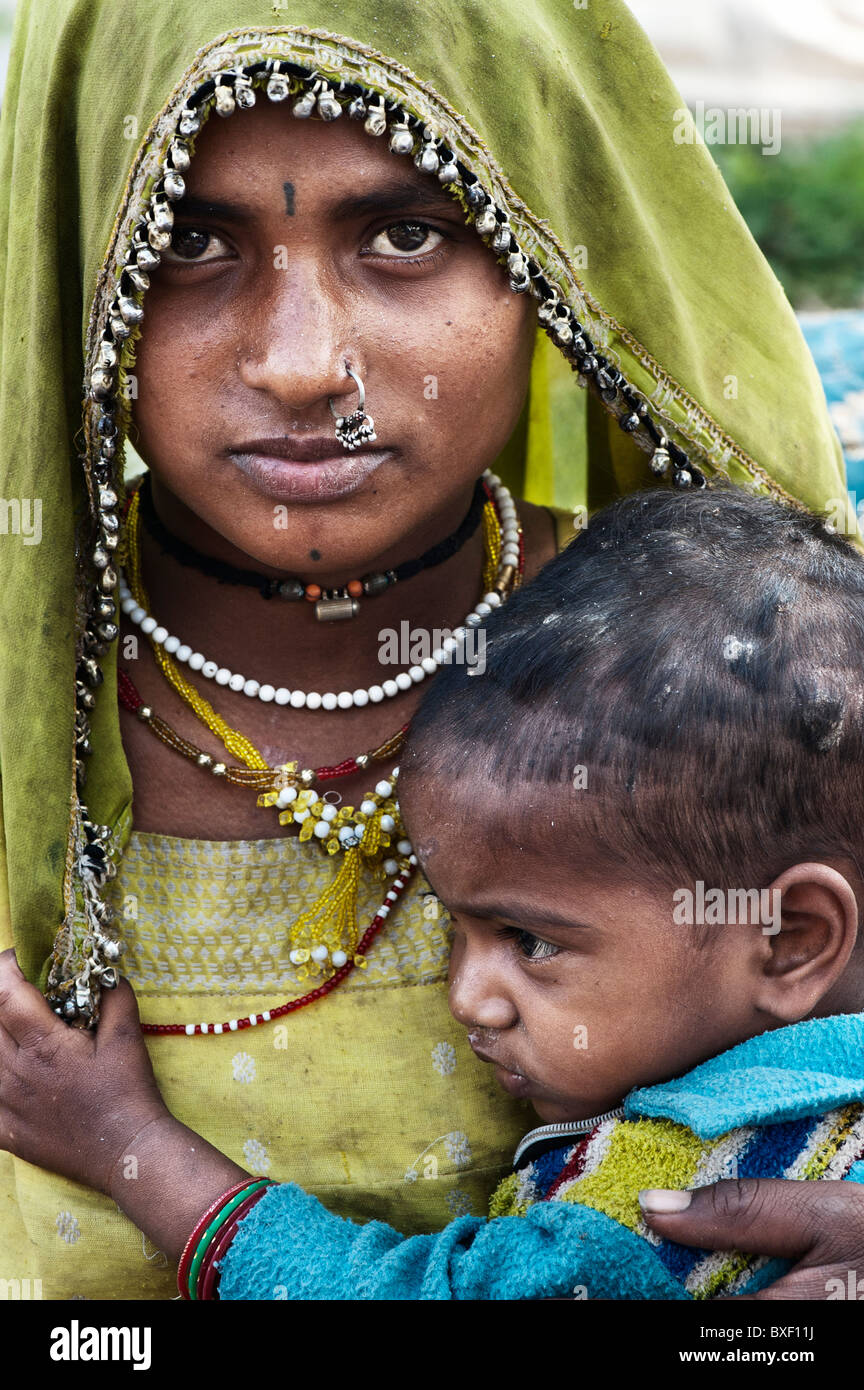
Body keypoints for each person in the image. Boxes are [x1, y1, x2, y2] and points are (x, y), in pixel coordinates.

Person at [0, 0, 860, 1301]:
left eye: (408, 233)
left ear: (553, 255)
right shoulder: (29, 712)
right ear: (83, 260)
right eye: (185, 238)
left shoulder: (745, 674)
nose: (300, 365)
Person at [2, 486, 863, 1301]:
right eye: (452, 928)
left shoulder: (696, 1181)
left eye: (528, 940)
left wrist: (128, 1146)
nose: (465, 999)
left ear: (788, 938)